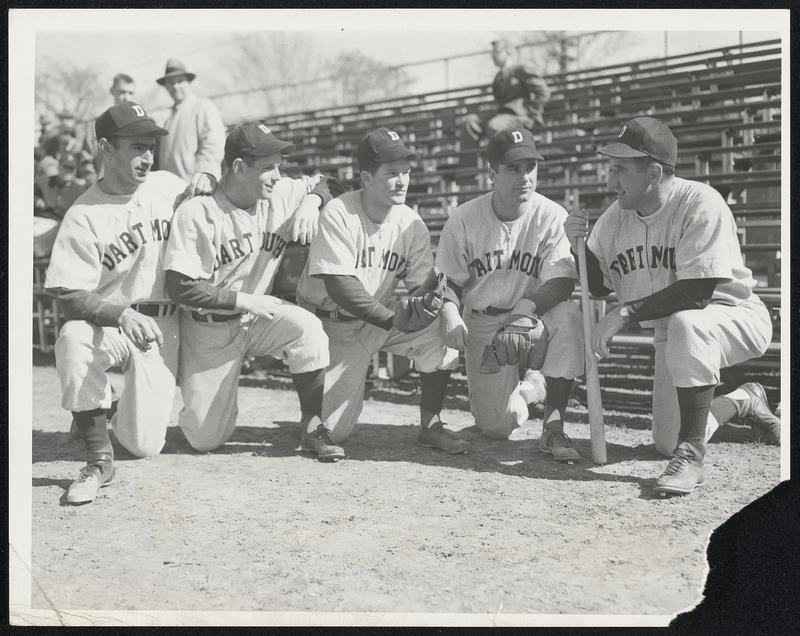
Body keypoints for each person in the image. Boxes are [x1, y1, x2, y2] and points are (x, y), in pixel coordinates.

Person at [564, 116, 780, 496]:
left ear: (653, 172)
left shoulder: (701, 202)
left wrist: (626, 312)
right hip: (672, 330)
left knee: (687, 322)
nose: (610, 182)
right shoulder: (614, 218)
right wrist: (575, 245)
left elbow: (696, 293)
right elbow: (598, 287)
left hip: (734, 315)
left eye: (619, 170)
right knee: (665, 439)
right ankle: (744, 400)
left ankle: (692, 457)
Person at [44, 102, 190, 505]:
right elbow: (67, 293)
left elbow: (219, 192)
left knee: (144, 445)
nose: (148, 157)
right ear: (106, 148)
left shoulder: (169, 186)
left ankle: (106, 410)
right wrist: (119, 314)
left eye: (151, 147)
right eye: (137, 147)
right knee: (73, 339)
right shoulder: (84, 214)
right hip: (112, 324)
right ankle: (98, 456)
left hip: (165, 324)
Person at [296, 127, 470, 459]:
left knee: (439, 333)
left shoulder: (410, 222)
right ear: (366, 177)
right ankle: (313, 418)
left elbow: (425, 283)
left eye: (405, 172)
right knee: (337, 431)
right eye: (391, 173)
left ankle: (430, 426)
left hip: (379, 319)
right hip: (331, 325)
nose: (402, 181)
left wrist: (443, 309)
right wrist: (396, 318)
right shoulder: (339, 213)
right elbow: (340, 286)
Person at [163, 122, 336, 454]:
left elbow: (332, 182)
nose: (277, 174)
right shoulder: (197, 211)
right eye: (268, 167)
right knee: (205, 439)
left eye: (278, 165)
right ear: (239, 167)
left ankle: (313, 426)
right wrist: (245, 302)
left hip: (257, 318)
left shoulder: (279, 193)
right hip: (208, 329)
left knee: (309, 330)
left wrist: (313, 201)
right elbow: (180, 287)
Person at [436, 128, 584, 461]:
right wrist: (449, 311)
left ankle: (554, 427)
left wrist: (525, 310)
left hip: (534, 319)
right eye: (513, 169)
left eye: (530, 167)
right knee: (497, 428)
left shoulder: (551, 215)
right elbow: (448, 279)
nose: (525, 177)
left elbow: (562, 281)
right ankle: (532, 388)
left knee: (568, 316)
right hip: (484, 320)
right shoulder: (464, 218)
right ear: (492, 173)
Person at [463, 38, 551, 145]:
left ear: (508, 52)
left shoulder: (521, 69)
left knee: (493, 126)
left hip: (520, 116)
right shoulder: (498, 76)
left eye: (496, 52)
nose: (493, 55)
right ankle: (484, 155)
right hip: (501, 116)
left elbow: (543, 92)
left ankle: (510, 157)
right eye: (492, 53)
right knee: (469, 121)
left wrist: (532, 114)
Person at [155, 58, 226, 182]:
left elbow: (213, 147)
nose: (175, 86)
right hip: (171, 192)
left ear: (188, 82)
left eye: (180, 81)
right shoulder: (168, 121)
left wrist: (202, 178)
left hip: (196, 188)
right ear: (166, 86)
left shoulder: (202, 107)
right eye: (171, 82)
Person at [82, 73, 138, 167]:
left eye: (130, 93)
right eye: (122, 92)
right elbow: (86, 158)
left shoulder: (139, 125)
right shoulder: (96, 124)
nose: (126, 98)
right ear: (112, 91)